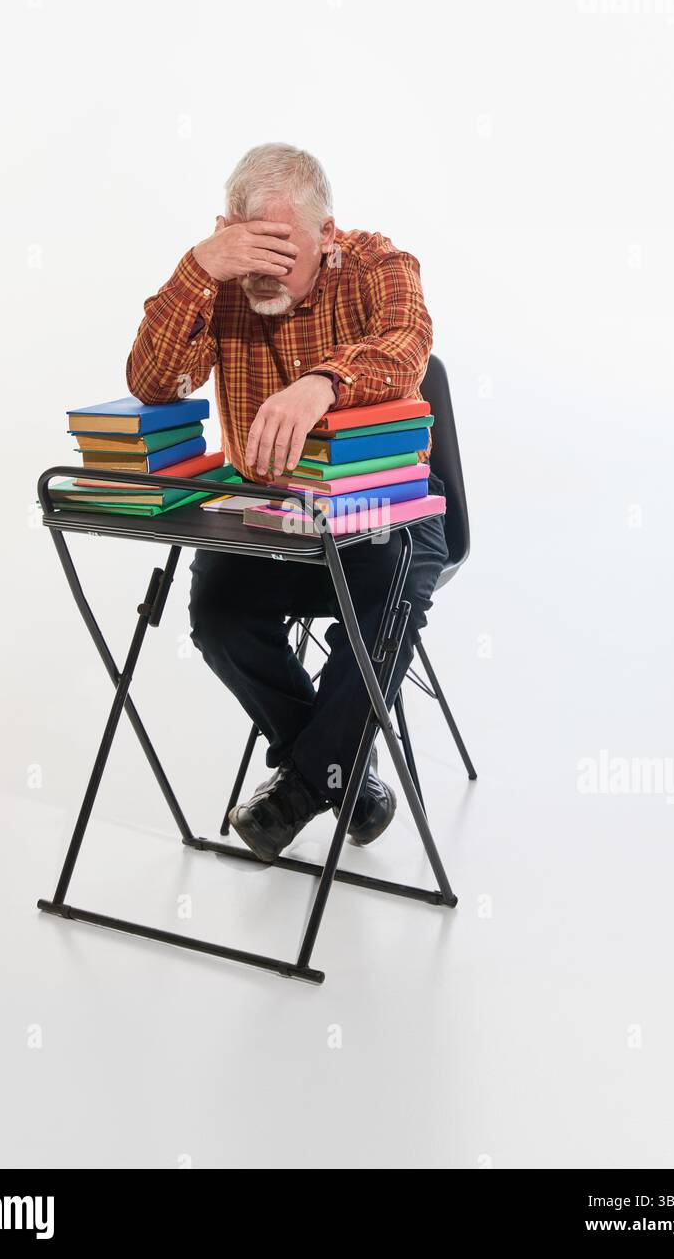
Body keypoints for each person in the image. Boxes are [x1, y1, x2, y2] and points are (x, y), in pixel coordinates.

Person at [126, 143, 448, 862]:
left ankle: (300, 787)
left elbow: (407, 344)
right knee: (217, 617)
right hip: (272, 510)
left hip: (386, 509)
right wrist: (200, 269)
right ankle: (345, 780)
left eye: (285, 254)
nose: (264, 274)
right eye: (250, 251)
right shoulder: (216, 279)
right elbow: (154, 385)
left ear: (326, 237)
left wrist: (324, 380)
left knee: (382, 601)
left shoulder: (376, 263)